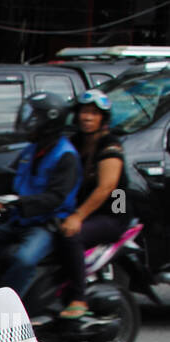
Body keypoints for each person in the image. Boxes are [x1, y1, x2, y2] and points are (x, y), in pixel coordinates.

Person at [0, 92, 81, 302]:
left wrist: (19, 202)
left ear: (50, 121)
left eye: (35, 117)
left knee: (24, 259)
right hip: (19, 219)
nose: (29, 121)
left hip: (45, 224)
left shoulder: (66, 156)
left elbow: (56, 198)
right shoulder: (31, 150)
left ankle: (4, 307)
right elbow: (9, 178)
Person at [56, 90, 129, 319]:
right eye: (84, 112)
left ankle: (79, 297)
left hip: (113, 214)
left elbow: (106, 187)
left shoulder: (110, 145)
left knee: (71, 235)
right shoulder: (75, 142)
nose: (87, 117)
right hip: (82, 210)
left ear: (103, 119)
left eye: (94, 114)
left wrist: (77, 216)